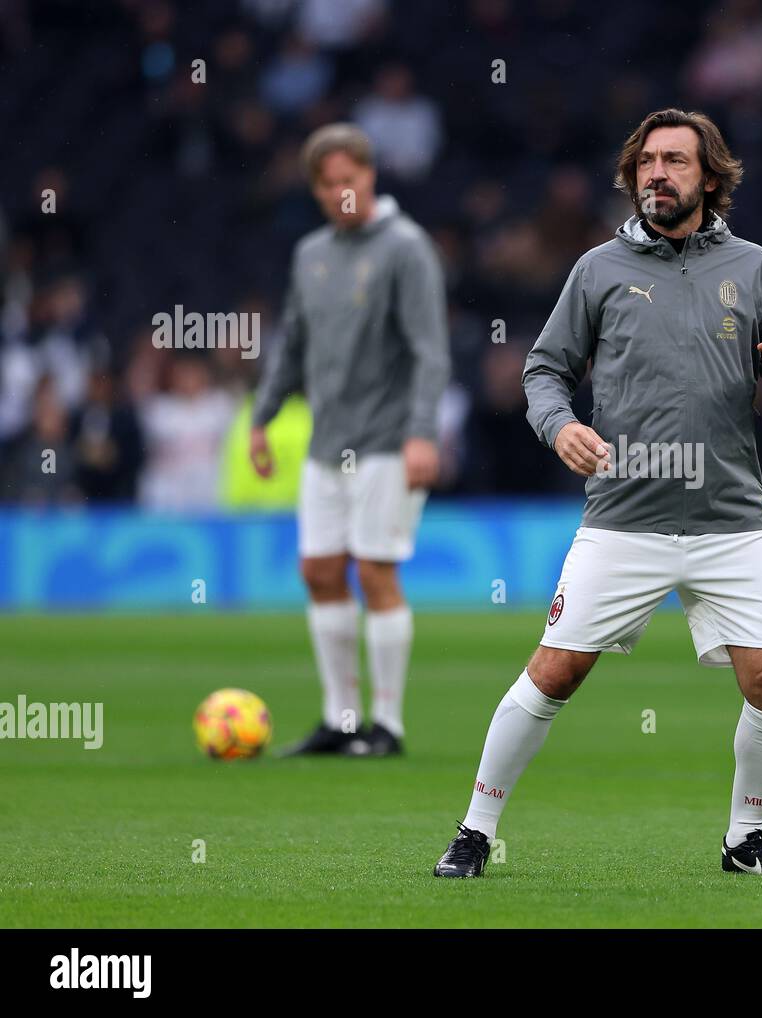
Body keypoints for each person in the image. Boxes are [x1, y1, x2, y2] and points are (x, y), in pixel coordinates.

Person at [433, 109, 762, 878]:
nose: (657, 174)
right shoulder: (598, 270)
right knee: (554, 673)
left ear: (709, 177)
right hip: (626, 516)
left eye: (675, 161)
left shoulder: (755, 268)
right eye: (646, 162)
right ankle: (475, 832)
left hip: (729, 519)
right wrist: (559, 427)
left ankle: (745, 840)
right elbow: (542, 371)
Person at [249, 123, 449, 757]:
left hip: (387, 441)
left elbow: (430, 351)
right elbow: (293, 344)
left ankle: (386, 725)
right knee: (318, 570)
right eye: (328, 183)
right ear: (315, 188)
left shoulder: (406, 248)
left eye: (350, 179)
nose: (341, 192)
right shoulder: (310, 253)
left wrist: (422, 431)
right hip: (324, 443)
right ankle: (340, 720)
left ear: (370, 175)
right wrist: (263, 416)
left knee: (375, 570)